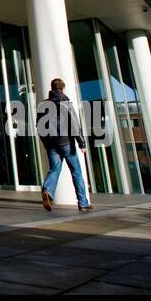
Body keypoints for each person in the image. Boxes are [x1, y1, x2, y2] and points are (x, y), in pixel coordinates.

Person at [36, 78, 92, 212]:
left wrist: (46, 143)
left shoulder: (43, 105)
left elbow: (39, 127)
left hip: (51, 143)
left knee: (55, 168)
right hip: (66, 142)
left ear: (51, 88)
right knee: (76, 172)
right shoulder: (66, 103)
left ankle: (47, 190)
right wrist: (81, 143)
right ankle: (83, 203)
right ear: (62, 89)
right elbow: (74, 124)